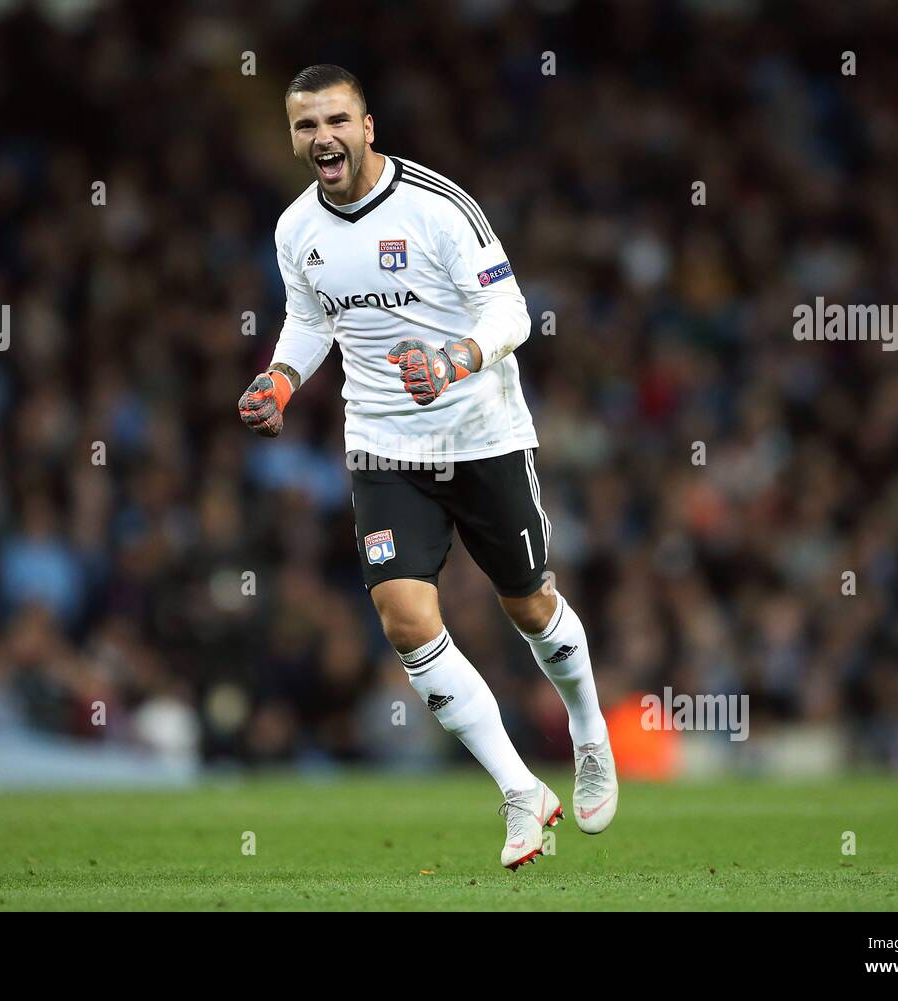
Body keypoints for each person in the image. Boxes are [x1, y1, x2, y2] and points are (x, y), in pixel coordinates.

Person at [239, 64, 616, 869]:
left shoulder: (438, 208)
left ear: (368, 126)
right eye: (307, 126)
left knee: (529, 605)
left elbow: (511, 311)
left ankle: (587, 725)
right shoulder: (294, 229)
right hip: (382, 445)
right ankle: (520, 790)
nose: (323, 138)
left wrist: (453, 361)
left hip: (481, 434)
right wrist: (279, 377)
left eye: (337, 120)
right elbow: (308, 321)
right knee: (406, 618)